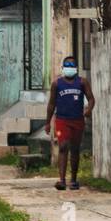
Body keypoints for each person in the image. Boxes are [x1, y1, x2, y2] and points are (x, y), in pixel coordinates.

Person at [45, 56, 94, 191]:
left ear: (76, 69)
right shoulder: (57, 84)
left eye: (72, 66)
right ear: (62, 68)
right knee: (63, 147)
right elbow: (51, 104)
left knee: (75, 149)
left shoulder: (82, 82)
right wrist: (48, 123)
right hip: (61, 120)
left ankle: (73, 179)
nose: (69, 68)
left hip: (77, 120)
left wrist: (88, 109)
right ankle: (62, 180)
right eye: (67, 66)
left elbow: (91, 99)